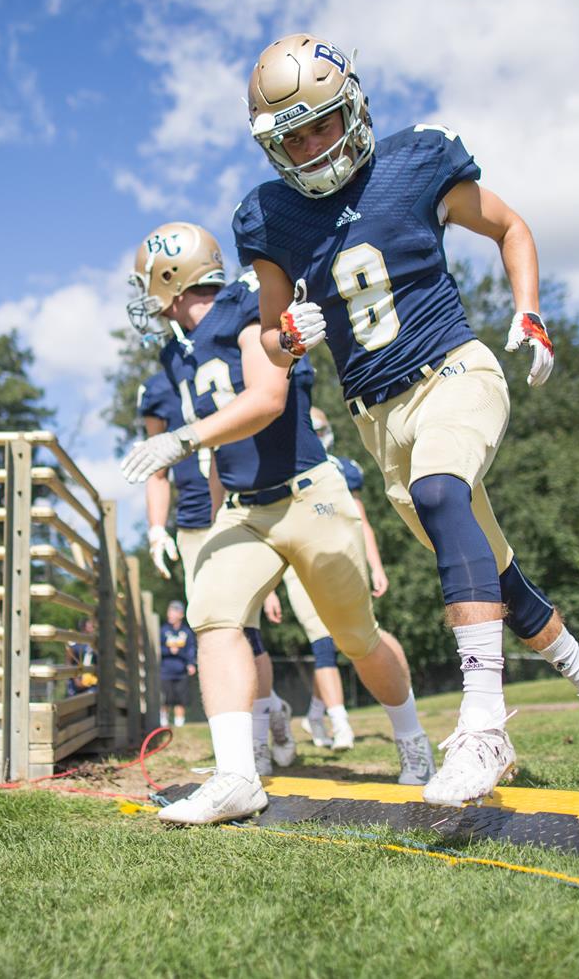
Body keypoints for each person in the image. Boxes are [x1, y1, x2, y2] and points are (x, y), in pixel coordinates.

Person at [237, 34, 579, 807]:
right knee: (500, 581)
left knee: (442, 489)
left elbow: (510, 227)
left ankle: (484, 726)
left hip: (455, 371)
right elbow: (267, 333)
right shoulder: (271, 217)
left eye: (321, 124)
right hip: (377, 421)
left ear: (351, 107)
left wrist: (530, 312)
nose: (311, 145)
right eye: (293, 135)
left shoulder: (417, 160)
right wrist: (284, 340)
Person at [121, 220, 434, 825]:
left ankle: (413, 736)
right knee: (213, 615)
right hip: (245, 506)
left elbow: (265, 399)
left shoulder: (241, 306)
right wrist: (208, 511)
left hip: (308, 495)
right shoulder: (176, 351)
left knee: (355, 638)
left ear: (171, 279)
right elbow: (221, 449)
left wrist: (182, 440)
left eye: (148, 283)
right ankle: (238, 774)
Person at [139, 370, 297, 772]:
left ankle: (257, 737)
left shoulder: (232, 358)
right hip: (193, 524)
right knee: (213, 629)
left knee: (248, 628)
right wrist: (157, 529)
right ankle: (260, 721)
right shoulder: (159, 387)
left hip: (241, 512)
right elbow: (158, 471)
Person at [264, 407, 388, 751]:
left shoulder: (344, 469)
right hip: (300, 563)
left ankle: (316, 714)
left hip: (341, 557)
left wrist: (375, 566)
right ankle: (340, 721)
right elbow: (272, 530)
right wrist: (269, 588)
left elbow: (361, 522)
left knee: (342, 640)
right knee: (322, 641)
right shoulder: (283, 467)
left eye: (321, 429)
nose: (317, 436)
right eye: (311, 429)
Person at [158, 600, 197, 727]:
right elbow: (157, 648)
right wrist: (169, 650)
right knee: (165, 698)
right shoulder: (163, 630)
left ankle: (179, 723)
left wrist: (191, 663)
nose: (170, 614)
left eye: (173, 612)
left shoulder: (186, 632)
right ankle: (163, 722)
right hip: (165, 671)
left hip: (181, 671)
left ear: (181, 614)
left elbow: (191, 649)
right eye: (169, 611)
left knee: (181, 699)